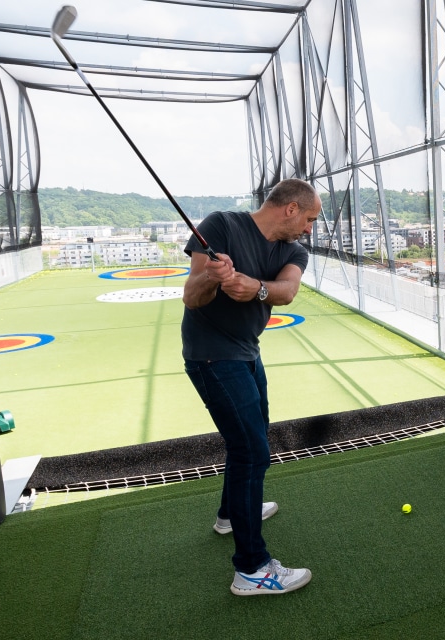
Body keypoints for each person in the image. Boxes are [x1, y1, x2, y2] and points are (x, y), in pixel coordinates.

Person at [181, 179, 320, 596]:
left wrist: (255, 287)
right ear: (291, 209)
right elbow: (191, 297)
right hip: (212, 356)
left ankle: (231, 514)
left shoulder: (294, 250)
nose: (310, 229)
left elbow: (287, 291)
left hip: (246, 353)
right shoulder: (220, 225)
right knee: (252, 450)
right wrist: (212, 275)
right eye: (310, 219)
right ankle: (252, 569)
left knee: (250, 438)